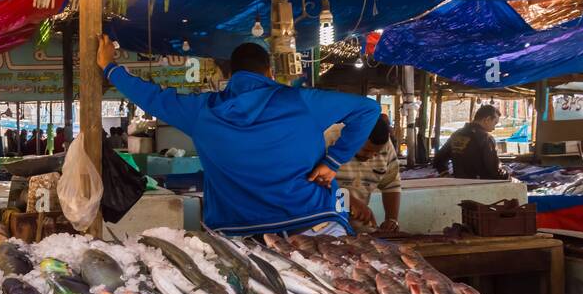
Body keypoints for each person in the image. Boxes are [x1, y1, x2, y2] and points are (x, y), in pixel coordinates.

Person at [98, 38, 379, 235]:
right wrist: (332, 162)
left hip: (238, 235)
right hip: (315, 225)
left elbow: (152, 97)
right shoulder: (301, 100)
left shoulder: (203, 110)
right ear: (269, 72)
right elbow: (368, 110)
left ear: (231, 75)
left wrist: (110, 67)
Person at [326, 113, 401, 232]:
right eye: (366, 150)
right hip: (325, 226)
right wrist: (348, 200)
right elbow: (313, 181)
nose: (371, 156)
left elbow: (391, 184)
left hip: (360, 228)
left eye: (376, 153)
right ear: (355, 138)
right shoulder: (329, 138)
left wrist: (391, 219)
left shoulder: (384, 143)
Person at [432, 104, 507, 180]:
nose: (494, 128)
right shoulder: (486, 138)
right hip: (481, 186)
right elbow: (494, 171)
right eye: (495, 123)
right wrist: (508, 175)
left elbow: (438, 159)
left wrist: (446, 175)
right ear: (487, 120)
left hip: (459, 184)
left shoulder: (456, 134)